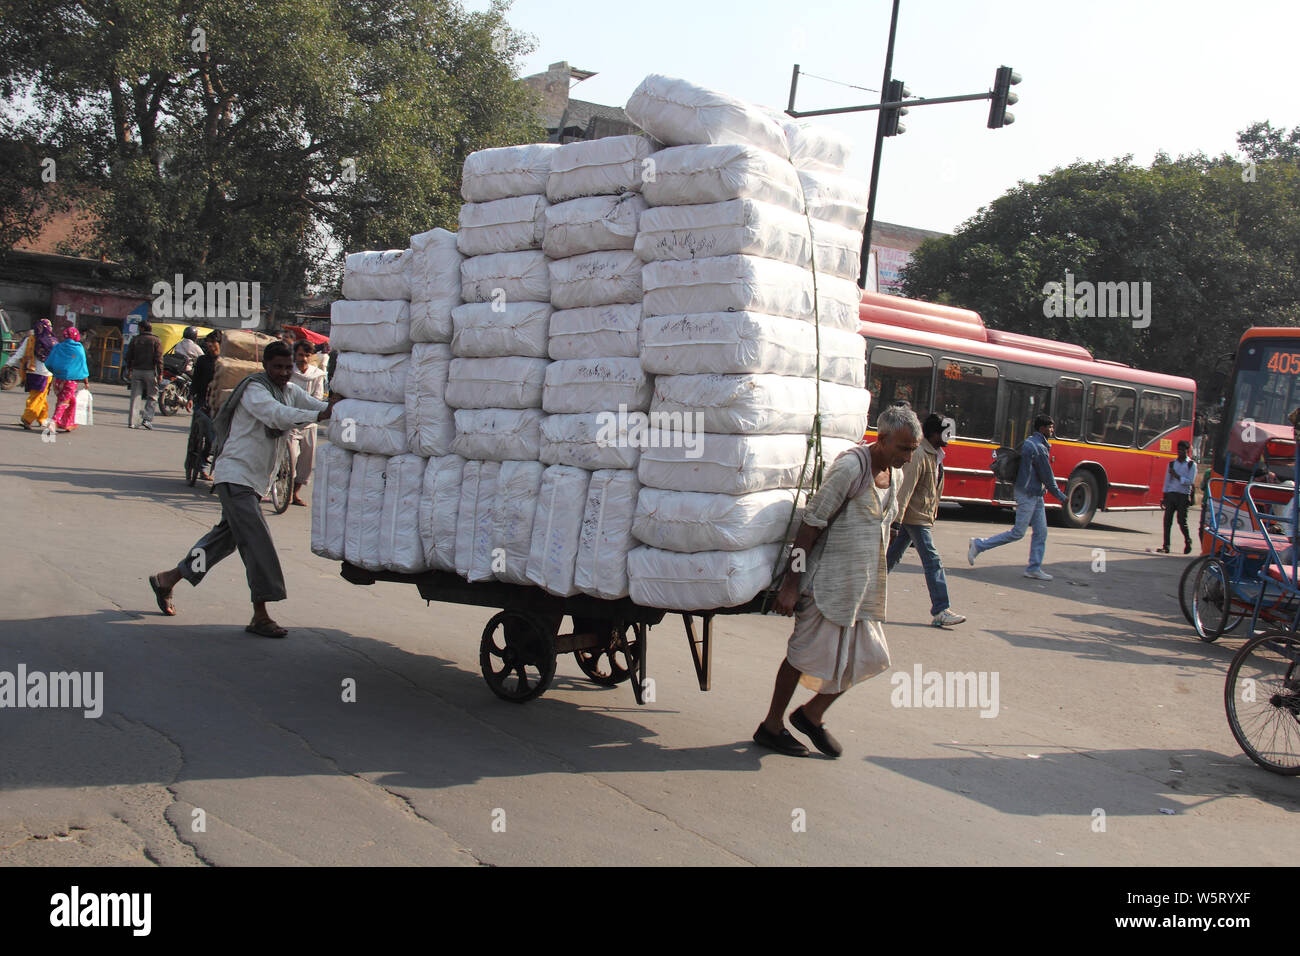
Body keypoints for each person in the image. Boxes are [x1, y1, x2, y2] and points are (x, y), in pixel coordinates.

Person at [754, 404, 922, 758]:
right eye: (904, 449)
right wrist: (790, 585)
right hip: (824, 584)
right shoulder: (850, 469)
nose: (909, 457)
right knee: (801, 657)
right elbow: (811, 525)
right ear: (883, 439)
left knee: (869, 658)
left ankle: (811, 714)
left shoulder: (897, 476)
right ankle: (771, 726)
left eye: (913, 449)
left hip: (862, 589)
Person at [148, 341, 337, 638]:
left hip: (255, 480)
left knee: (223, 540)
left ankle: (167, 579)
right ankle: (260, 614)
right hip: (235, 475)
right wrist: (320, 416)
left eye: (288, 367)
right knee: (256, 539)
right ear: (266, 366)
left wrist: (338, 405)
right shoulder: (255, 390)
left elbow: (316, 406)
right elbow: (276, 416)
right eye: (278, 367)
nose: (284, 372)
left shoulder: (289, 390)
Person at [888, 413, 966, 626]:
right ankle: (941, 610)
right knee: (933, 561)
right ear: (933, 434)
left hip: (919, 516)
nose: (949, 437)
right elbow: (904, 490)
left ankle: (864, 594)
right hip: (914, 518)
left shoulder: (935, 454)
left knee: (888, 560)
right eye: (945, 433)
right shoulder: (920, 455)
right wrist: (895, 522)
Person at [968, 414, 1068, 580]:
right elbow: (1047, 477)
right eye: (1050, 427)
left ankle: (1034, 568)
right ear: (1042, 428)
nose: (1052, 430)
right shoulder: (1038, 448)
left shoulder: (1031, 442)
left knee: (1041, 532)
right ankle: (979, 545)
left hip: (1035, 494)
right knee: (1018, 532)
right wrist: (1062, 497)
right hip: (1028, 494)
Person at [288, 340, 327, 506]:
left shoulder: (317, 374)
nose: (303, 358)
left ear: (311, 356)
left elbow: (317, 398)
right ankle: (285, 490)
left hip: (310, 422)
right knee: (291, 456)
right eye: (300, 355)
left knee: (306, 461)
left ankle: (295, 493)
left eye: (306, 355)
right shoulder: (289, 372)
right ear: (295, 355)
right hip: (289, 421)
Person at [189, 331, 222, 480]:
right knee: (202, 436)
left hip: (220, 403)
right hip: (202, 400)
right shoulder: (202, 360)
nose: (209, 345)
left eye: (213, 342)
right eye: (208, 342)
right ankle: (196, 466)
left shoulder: (226, 362)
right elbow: (195, 380)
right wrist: (191, 396)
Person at [45, 327, 90, 433]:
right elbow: (82, 366)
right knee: (64, 402)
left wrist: (56, 372)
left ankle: (67, 423)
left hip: (58, 380)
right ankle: (54, 421)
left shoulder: (58, 347)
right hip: (71, 381)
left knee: (72, 401)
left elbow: (49, 363)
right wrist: (86, 382)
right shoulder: (78, 349)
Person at [17, 318, 57, 430]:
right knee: (38, 397)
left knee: (40, 397)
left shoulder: (31, 339)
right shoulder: (53, 341)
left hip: (31, 371)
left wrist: (9, 364)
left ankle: (42, 419)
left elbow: (20, 353)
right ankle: (27, 418)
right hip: (45, 373)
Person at [1159, 440, 1196, 554]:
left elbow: (1190, 481)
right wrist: (1164, 496)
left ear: (1187, 451)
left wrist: (1177, 476)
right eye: (1178, 450)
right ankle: (1166, 545)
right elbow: (1167, 481)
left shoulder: (1191, 465)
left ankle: (1188, 540)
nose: (1180, 452)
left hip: (1183, 496)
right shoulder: (1172, 464)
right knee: (1167, 521)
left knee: (1181, 521)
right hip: (1171, 494)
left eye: (1182, 450)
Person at [125, 320, 163, 429]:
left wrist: (129, 369)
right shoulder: (156, 340)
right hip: (150, 372)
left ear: (142, 328)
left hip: (136, 371)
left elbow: (128, 356)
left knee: (135, 397)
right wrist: (160, 373)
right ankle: (147, 420)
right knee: (152, 396)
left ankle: (132, 422)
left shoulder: (135, 340)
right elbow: (159, 358)